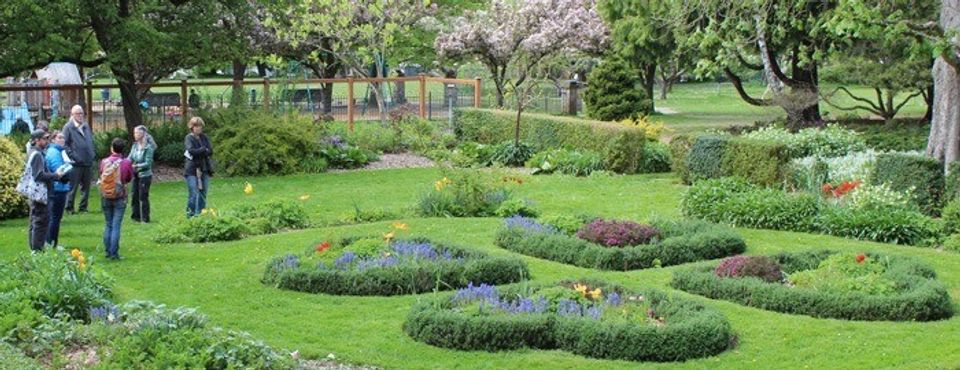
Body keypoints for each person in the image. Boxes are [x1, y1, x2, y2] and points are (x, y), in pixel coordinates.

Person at [25, 130, 65, 252]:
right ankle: (37, 250)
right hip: (40, 193)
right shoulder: (37, 154)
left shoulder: (37, 152)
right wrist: (55, 175)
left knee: (35, 221)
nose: (47, 141)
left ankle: (35, 249)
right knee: (40, 222)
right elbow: (39, 175)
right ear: (37, 140)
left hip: (37, 193)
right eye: (45, 138)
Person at [99, 138, 133, 260]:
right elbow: (129, 178)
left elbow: (101, 173)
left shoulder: (104, 162)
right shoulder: (126, 163)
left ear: (111, 148)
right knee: (116, 225)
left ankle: (108, 251)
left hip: (106, 195)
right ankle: (114, 253)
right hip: (120, 196)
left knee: (108, 224)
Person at [63, 105, 95, 214]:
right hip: (76, 163)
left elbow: (90, 141)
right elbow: (65, 145)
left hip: (88, 161)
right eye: (77, 113)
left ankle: (83, 207)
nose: (80, 115)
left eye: (81, 113)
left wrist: (92, 153)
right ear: (72, 115)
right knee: (73, 187)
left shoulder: (86, 126)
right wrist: (74, 156)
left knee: (86, 188)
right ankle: (69, 208)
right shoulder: (68, 127)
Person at [44, 130, 73, 247]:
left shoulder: (59, 151)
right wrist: (68, 170)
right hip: (58, 188)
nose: (62, 140)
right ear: (53, 139)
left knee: (54, 217)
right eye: (59, 138)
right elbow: (58, 171)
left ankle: (50, 242)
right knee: (55, 217)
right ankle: (51, 243)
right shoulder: (55, 152)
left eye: (63, 138)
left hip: (59, 187)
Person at [184, 117, 213, 218]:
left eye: (200, 126)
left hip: (204, 168)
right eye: (196, 126)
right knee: (193, 194)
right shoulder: (189, 138)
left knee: (203, 193)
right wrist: (203, 150)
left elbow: (210, 151)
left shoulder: (204, 137)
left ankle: (200, 215)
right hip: (191, 170)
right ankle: (190, 215)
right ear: (192, 127)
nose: (198, 128)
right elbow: (191, 150)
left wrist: (202, 151)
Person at [128, 125, 155, 223]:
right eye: (134, 132)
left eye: (137, 133)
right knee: (134, 195)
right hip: (136, 175)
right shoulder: (134, 146)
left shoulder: (148, 147)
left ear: (143, 134)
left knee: (143, 196)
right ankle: (135, 217)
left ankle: (145, 218)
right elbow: (130, 158)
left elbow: (148, 163)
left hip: (145, 175)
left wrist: (136, 166)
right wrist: (124, 163)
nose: (135, 135)